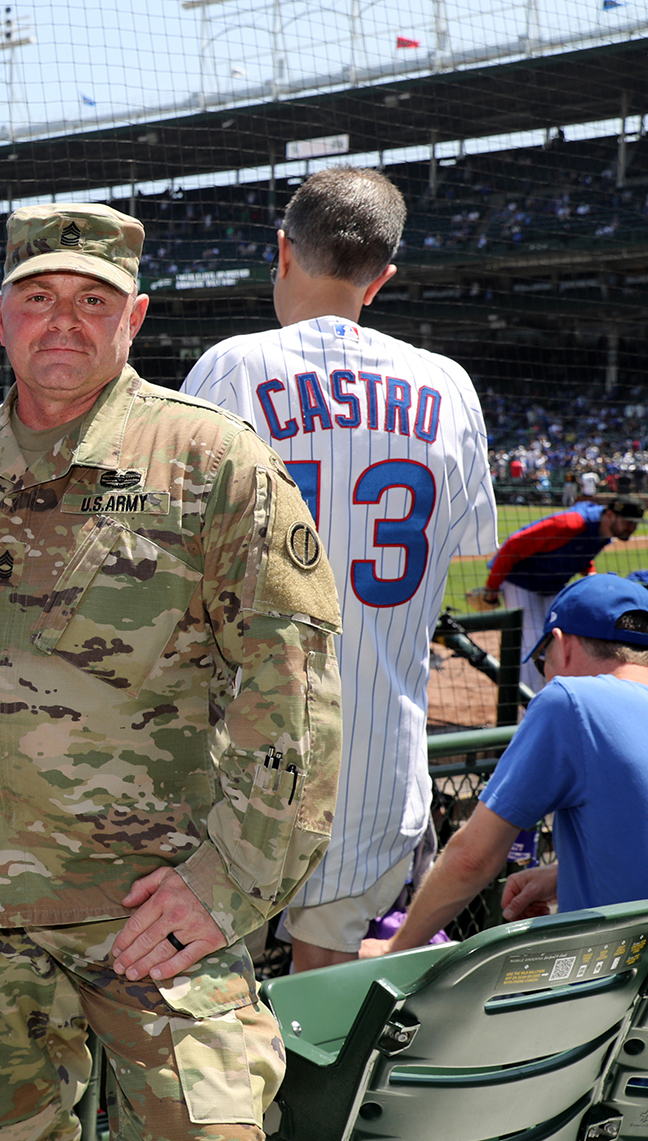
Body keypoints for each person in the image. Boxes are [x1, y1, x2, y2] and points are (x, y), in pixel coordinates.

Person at [0, 202, 343, 1141]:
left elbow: (295, 694)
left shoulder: (213, 463)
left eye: (94, 300)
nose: (65, 320)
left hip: (155, 910)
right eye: (38, 297)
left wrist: (227, 883)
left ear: (134, 318)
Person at [181, 167, 499, 972]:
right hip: (379, 762)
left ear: (283, 253)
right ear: (381, 278)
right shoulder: (449, 385)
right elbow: (467, 547)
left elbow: (172, 556)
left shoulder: (233, 366)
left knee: (219, 994)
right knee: (322, 995)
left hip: (244, 749)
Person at [362, 573, 648, 956]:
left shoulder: (572, 701)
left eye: (543, 660)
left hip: (615, 978)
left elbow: (472, 858)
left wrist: (394, 946)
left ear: (562, 645)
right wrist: (562, 876)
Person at [472, 494, 643, 691]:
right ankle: (526, 702)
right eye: (628, 522)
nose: (632, 528)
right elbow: (513, 545)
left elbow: (579, 551)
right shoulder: (569, 524)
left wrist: (590, 574)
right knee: (533, 642)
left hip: (552, 586)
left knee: (561, 637)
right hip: (520, 583)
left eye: (635, 523)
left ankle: (554, 690)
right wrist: (492, 587)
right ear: (611, 515)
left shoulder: (602, 531)